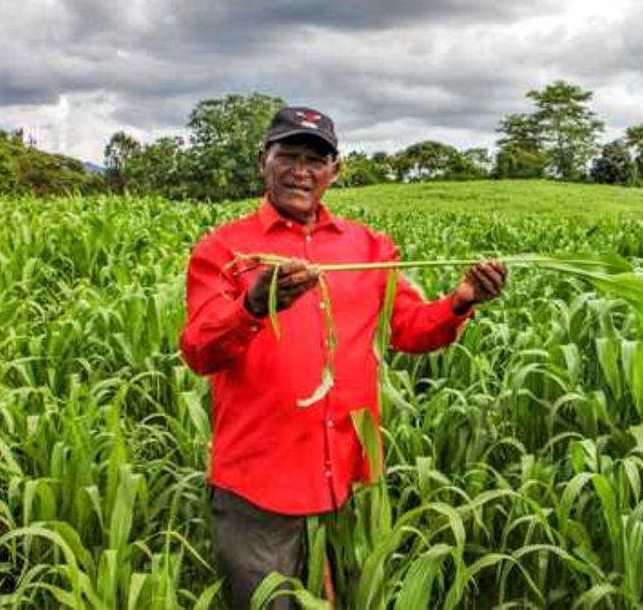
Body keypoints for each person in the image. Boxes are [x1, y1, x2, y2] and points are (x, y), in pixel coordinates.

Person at [178, 105, 507, 608]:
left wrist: (462, 300)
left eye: (316, 159)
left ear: (336, 170)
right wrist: (252, 305)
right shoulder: (226, 250)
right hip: (259, 484)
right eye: (287, 155)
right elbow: (199, 351)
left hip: (347, 480)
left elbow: (410, 329)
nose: (301, 170)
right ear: (261, 160)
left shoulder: (367, 247)